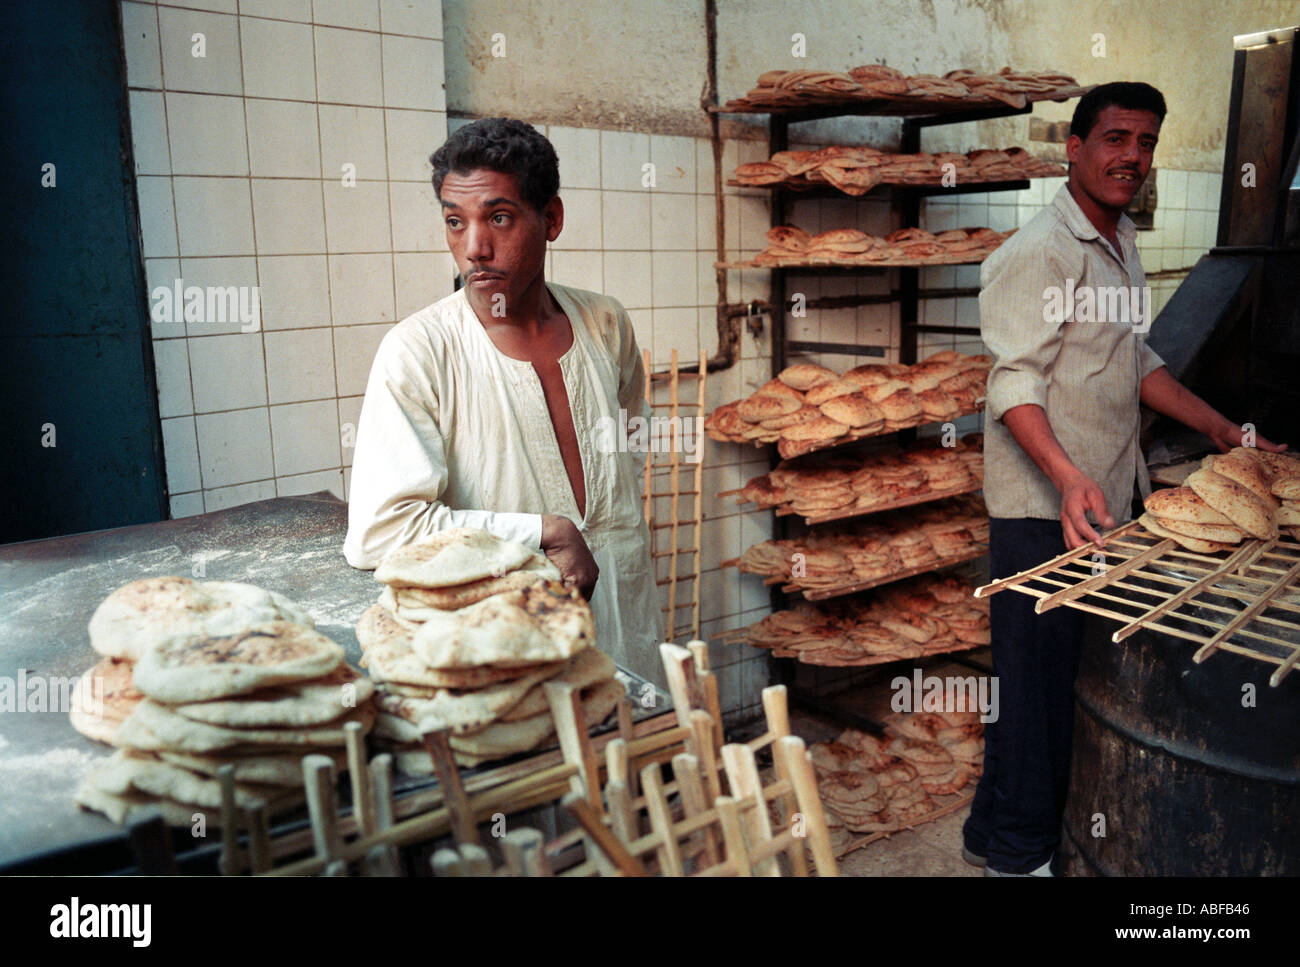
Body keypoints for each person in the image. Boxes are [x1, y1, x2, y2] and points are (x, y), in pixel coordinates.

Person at [963, 82, 1285, 876]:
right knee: (1036, 698)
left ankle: (988, 837)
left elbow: (1132, 360)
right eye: (1114, 139)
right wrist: (1069, 476)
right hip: (1046, 509)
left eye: (1144, 142)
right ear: (1073, 148)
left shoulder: (1119, 239)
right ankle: (1020, 857)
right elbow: (1012, 384)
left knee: (1040, 689)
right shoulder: (1039, 251)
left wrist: (1223, 429)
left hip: (1098, 503)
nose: (1130, 157)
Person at [343, 117, 662, 672]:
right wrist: (543, 532)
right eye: (453, 221)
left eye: (498, 217)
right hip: (506, 644)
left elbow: (629, 452)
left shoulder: (606, 323)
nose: (474, 249)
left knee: (638, 750)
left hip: (628, 616)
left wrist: (603, 533)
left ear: (552, 218)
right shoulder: (421, 351)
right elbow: (380, 534)